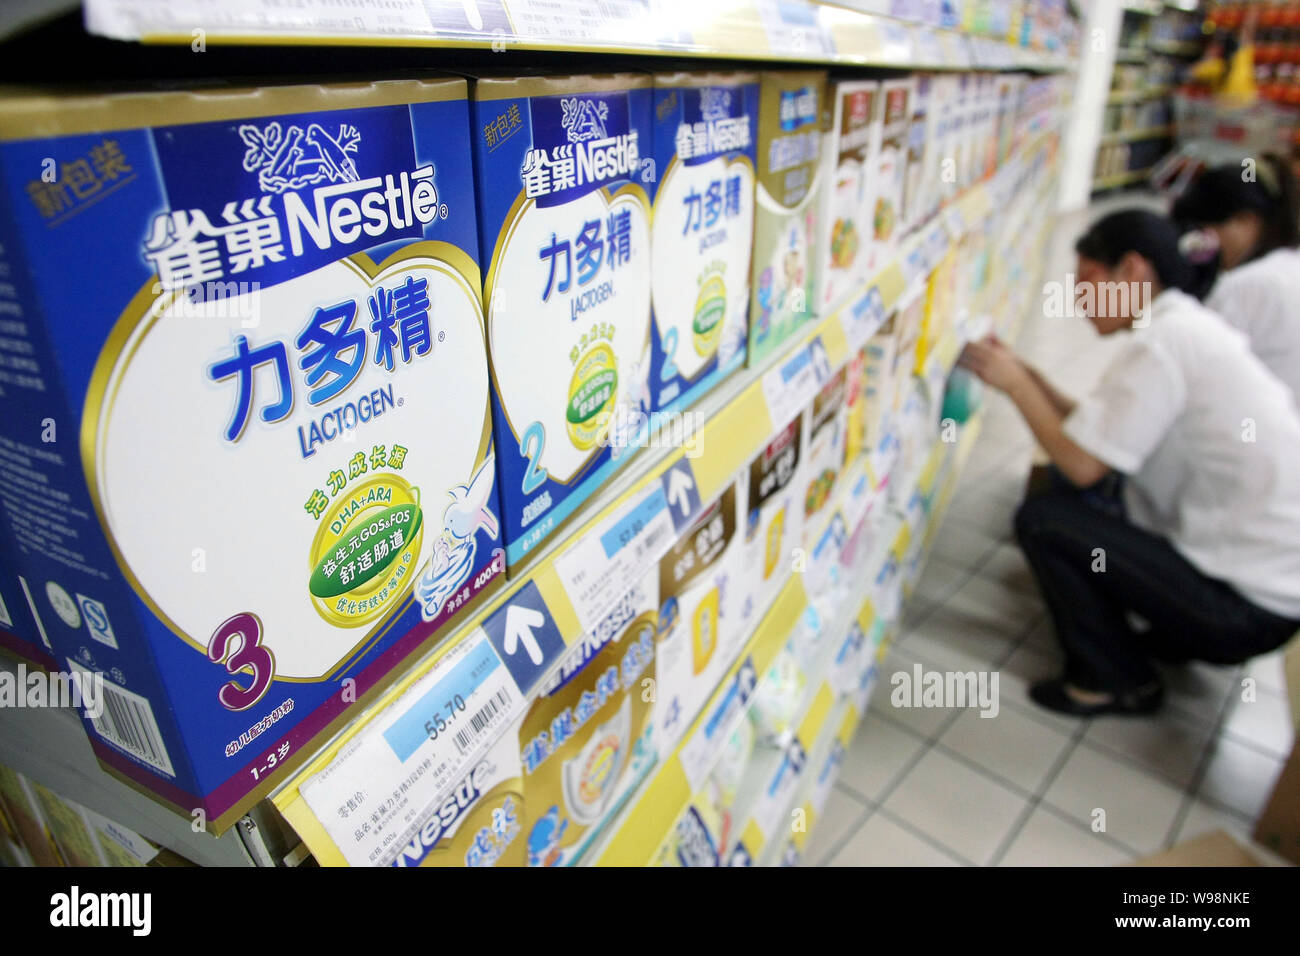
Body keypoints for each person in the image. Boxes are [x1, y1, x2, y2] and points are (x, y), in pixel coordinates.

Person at [959, 209, 1300, 717]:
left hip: (1244, 608)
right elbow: (1102, 437)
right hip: (1265, 588)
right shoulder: (1183, 326)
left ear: (1133, 271)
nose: (1078, 297)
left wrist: (1016, 385)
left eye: (1088, 280)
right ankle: (1159, 631)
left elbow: (1084, 466)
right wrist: (1030, 376)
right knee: (1066, 493)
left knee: (1045, 519)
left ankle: (1114, 679)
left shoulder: (1165, 343)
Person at [1171, 153, 1300, 399]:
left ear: (1246, 220)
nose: (1205, 246)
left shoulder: (1246, 287)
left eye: (1206, 230)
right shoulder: (1290, 264)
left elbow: (1190, 375)